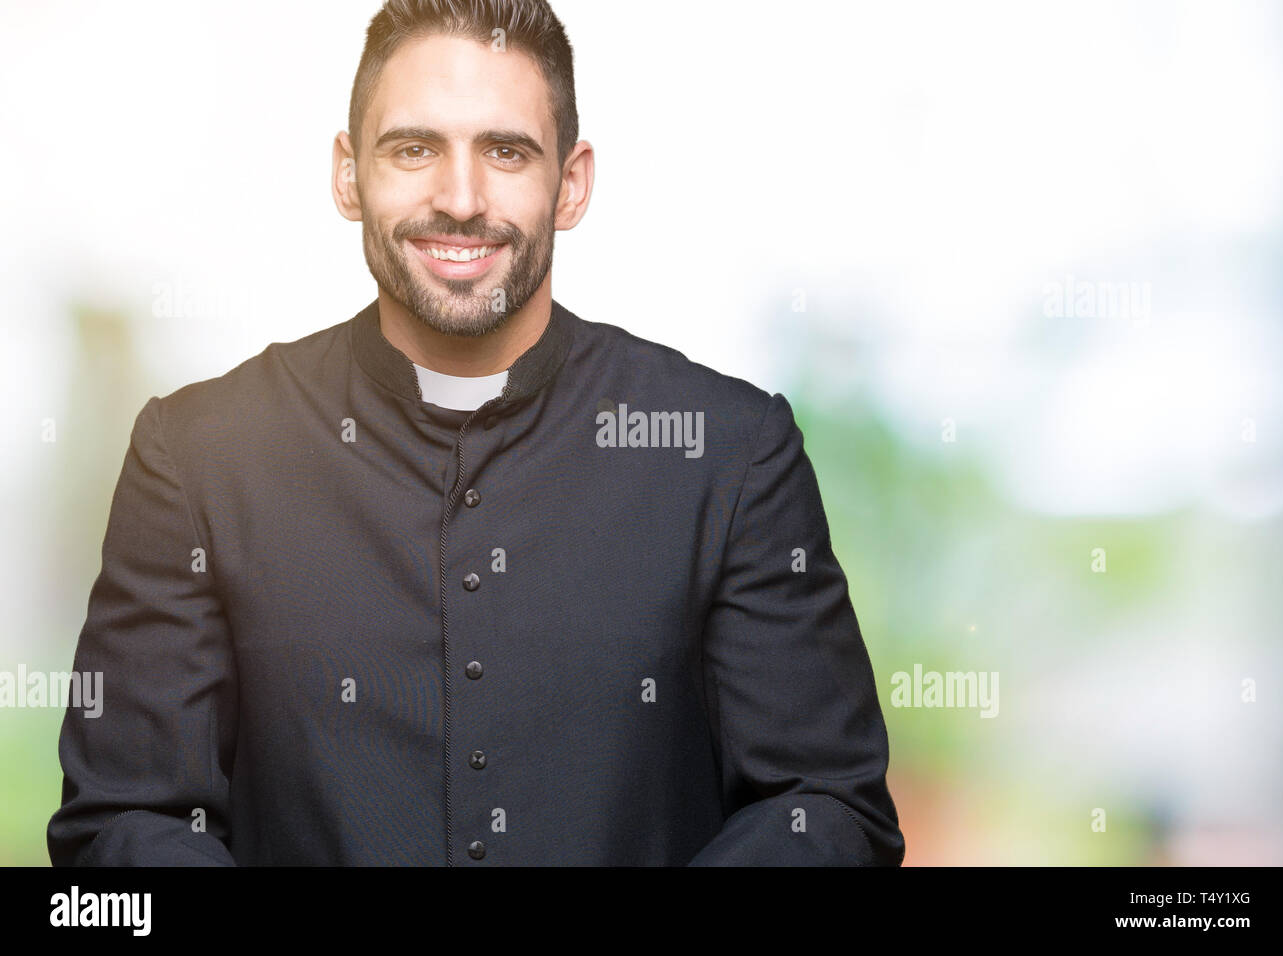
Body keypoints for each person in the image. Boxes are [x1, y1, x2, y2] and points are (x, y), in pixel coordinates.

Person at [47, 0, 905, 866]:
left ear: (570, 184)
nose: (460, 199)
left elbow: (828, 809)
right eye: (414, 149)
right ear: (348, 175)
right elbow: (121, 824)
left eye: (506, 151)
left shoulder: (729, 453)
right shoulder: (197, 456)